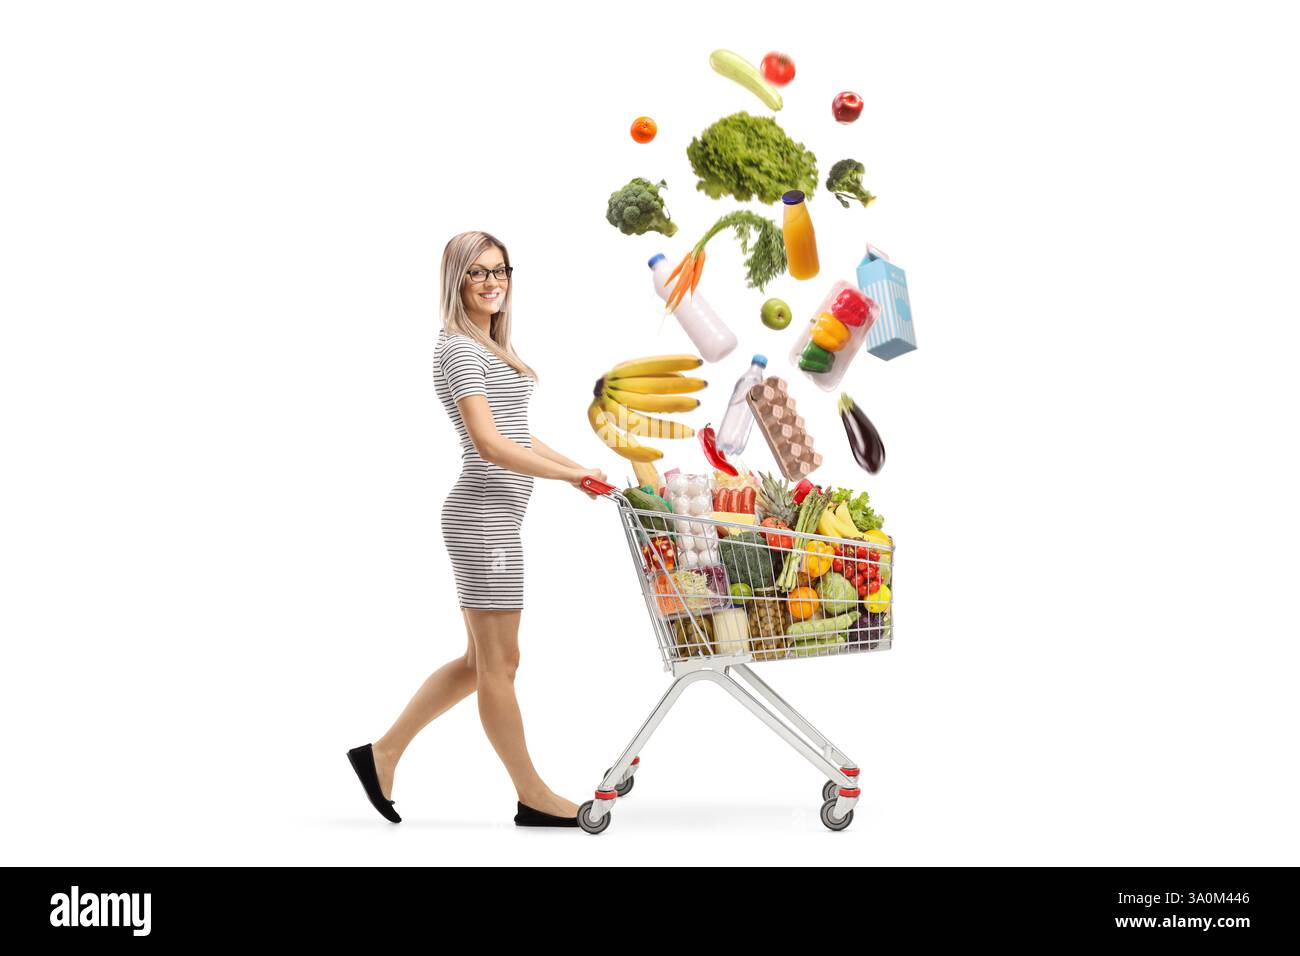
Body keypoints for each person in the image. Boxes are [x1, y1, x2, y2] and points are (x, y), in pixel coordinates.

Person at [348, 230, 607, 827]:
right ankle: (532, 796)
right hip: (482, 520)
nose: (493, 282)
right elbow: (490, 446)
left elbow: (515, 431)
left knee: (478, 662)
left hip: (497, 519)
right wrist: (564, 475)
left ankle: (380, 755)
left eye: (501, 270)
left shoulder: (490, 349)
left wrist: (573, 472)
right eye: (477, 273)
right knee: (499, 667)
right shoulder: (460, 351)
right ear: (455, 282)